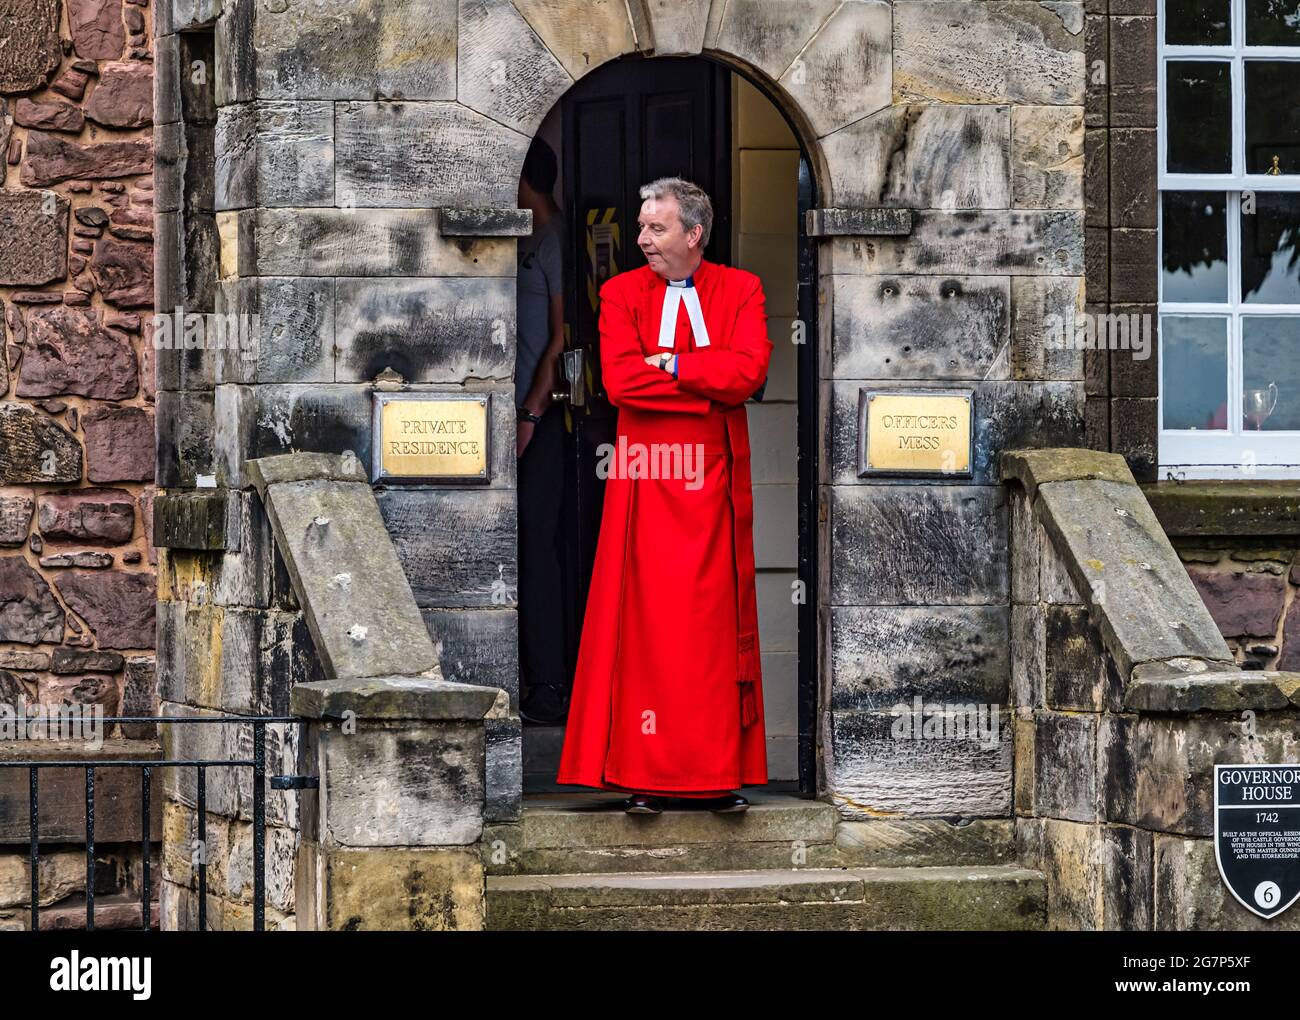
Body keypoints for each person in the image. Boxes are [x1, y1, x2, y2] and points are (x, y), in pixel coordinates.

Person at [555, 176, 772, 814]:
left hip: (716, 478)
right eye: (644, 227)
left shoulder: (742, 289)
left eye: (656, 228)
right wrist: (710, 379)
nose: (643, 239)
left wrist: (673, 365)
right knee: (648, 623)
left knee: (709, 626)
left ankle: (712, 774)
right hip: (647, 475)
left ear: (693, 234)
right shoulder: (620, 293)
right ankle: (643, 770)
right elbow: (622, 383)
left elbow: (751, 370)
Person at [515, 138, 569, 724]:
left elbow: (559, 337)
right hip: (516, 415)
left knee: (539, 547)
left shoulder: (553, 240)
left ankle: (550, 685)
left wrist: (531, 412)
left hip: (543, 420)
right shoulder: (529, 237)